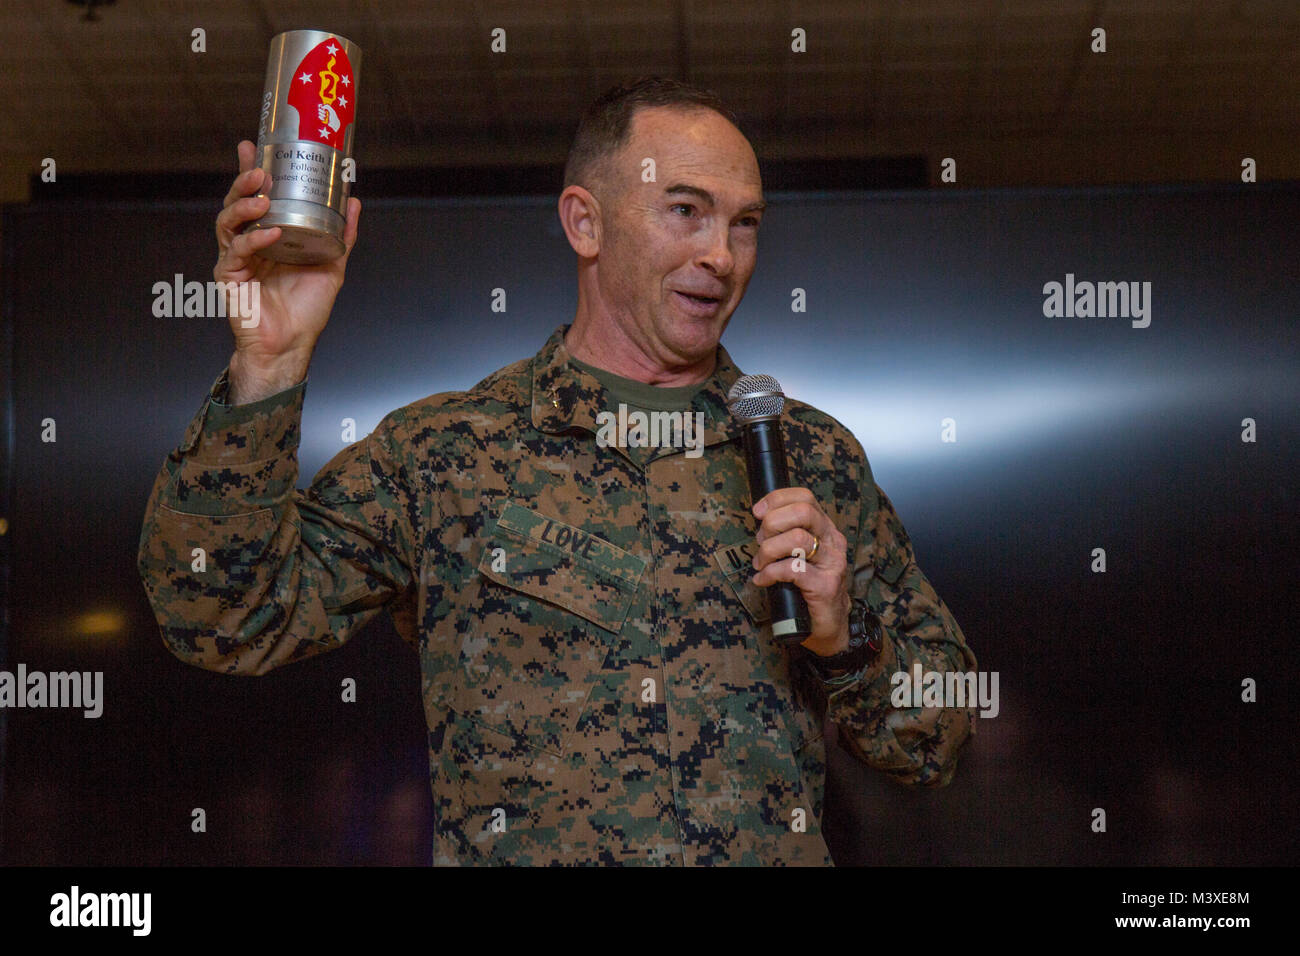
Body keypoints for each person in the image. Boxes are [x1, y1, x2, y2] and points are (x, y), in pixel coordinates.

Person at [137, 76, 978, 866]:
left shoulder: (812, 457)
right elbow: (223, 616)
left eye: (744, 222)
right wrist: (269, 364)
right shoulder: (447, 452)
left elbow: (939, 739)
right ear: (585, 223)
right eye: (685, 211)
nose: (721, 255)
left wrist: (845, 641)